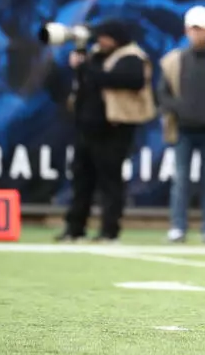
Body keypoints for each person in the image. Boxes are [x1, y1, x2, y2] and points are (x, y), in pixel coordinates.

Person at [55, 20, 156, 242]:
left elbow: (126, 80)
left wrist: (85, 67)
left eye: (106, 37)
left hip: (113, 129)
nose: (101, 41)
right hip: (87, 128)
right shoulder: (96, 55)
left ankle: (109, 231)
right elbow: (86, 83)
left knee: (110, 182)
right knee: (82, 181)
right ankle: (74, 228)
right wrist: (81, 66)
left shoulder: (132, 56)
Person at [158, 6, 205, 245]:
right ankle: (178, 226)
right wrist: (180, 109)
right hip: (183, 130)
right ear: (187, 30)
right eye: (194, 29)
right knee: (180, 182)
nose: (198, 34)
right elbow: (162, 95)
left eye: (203, 29)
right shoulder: (172, 61)